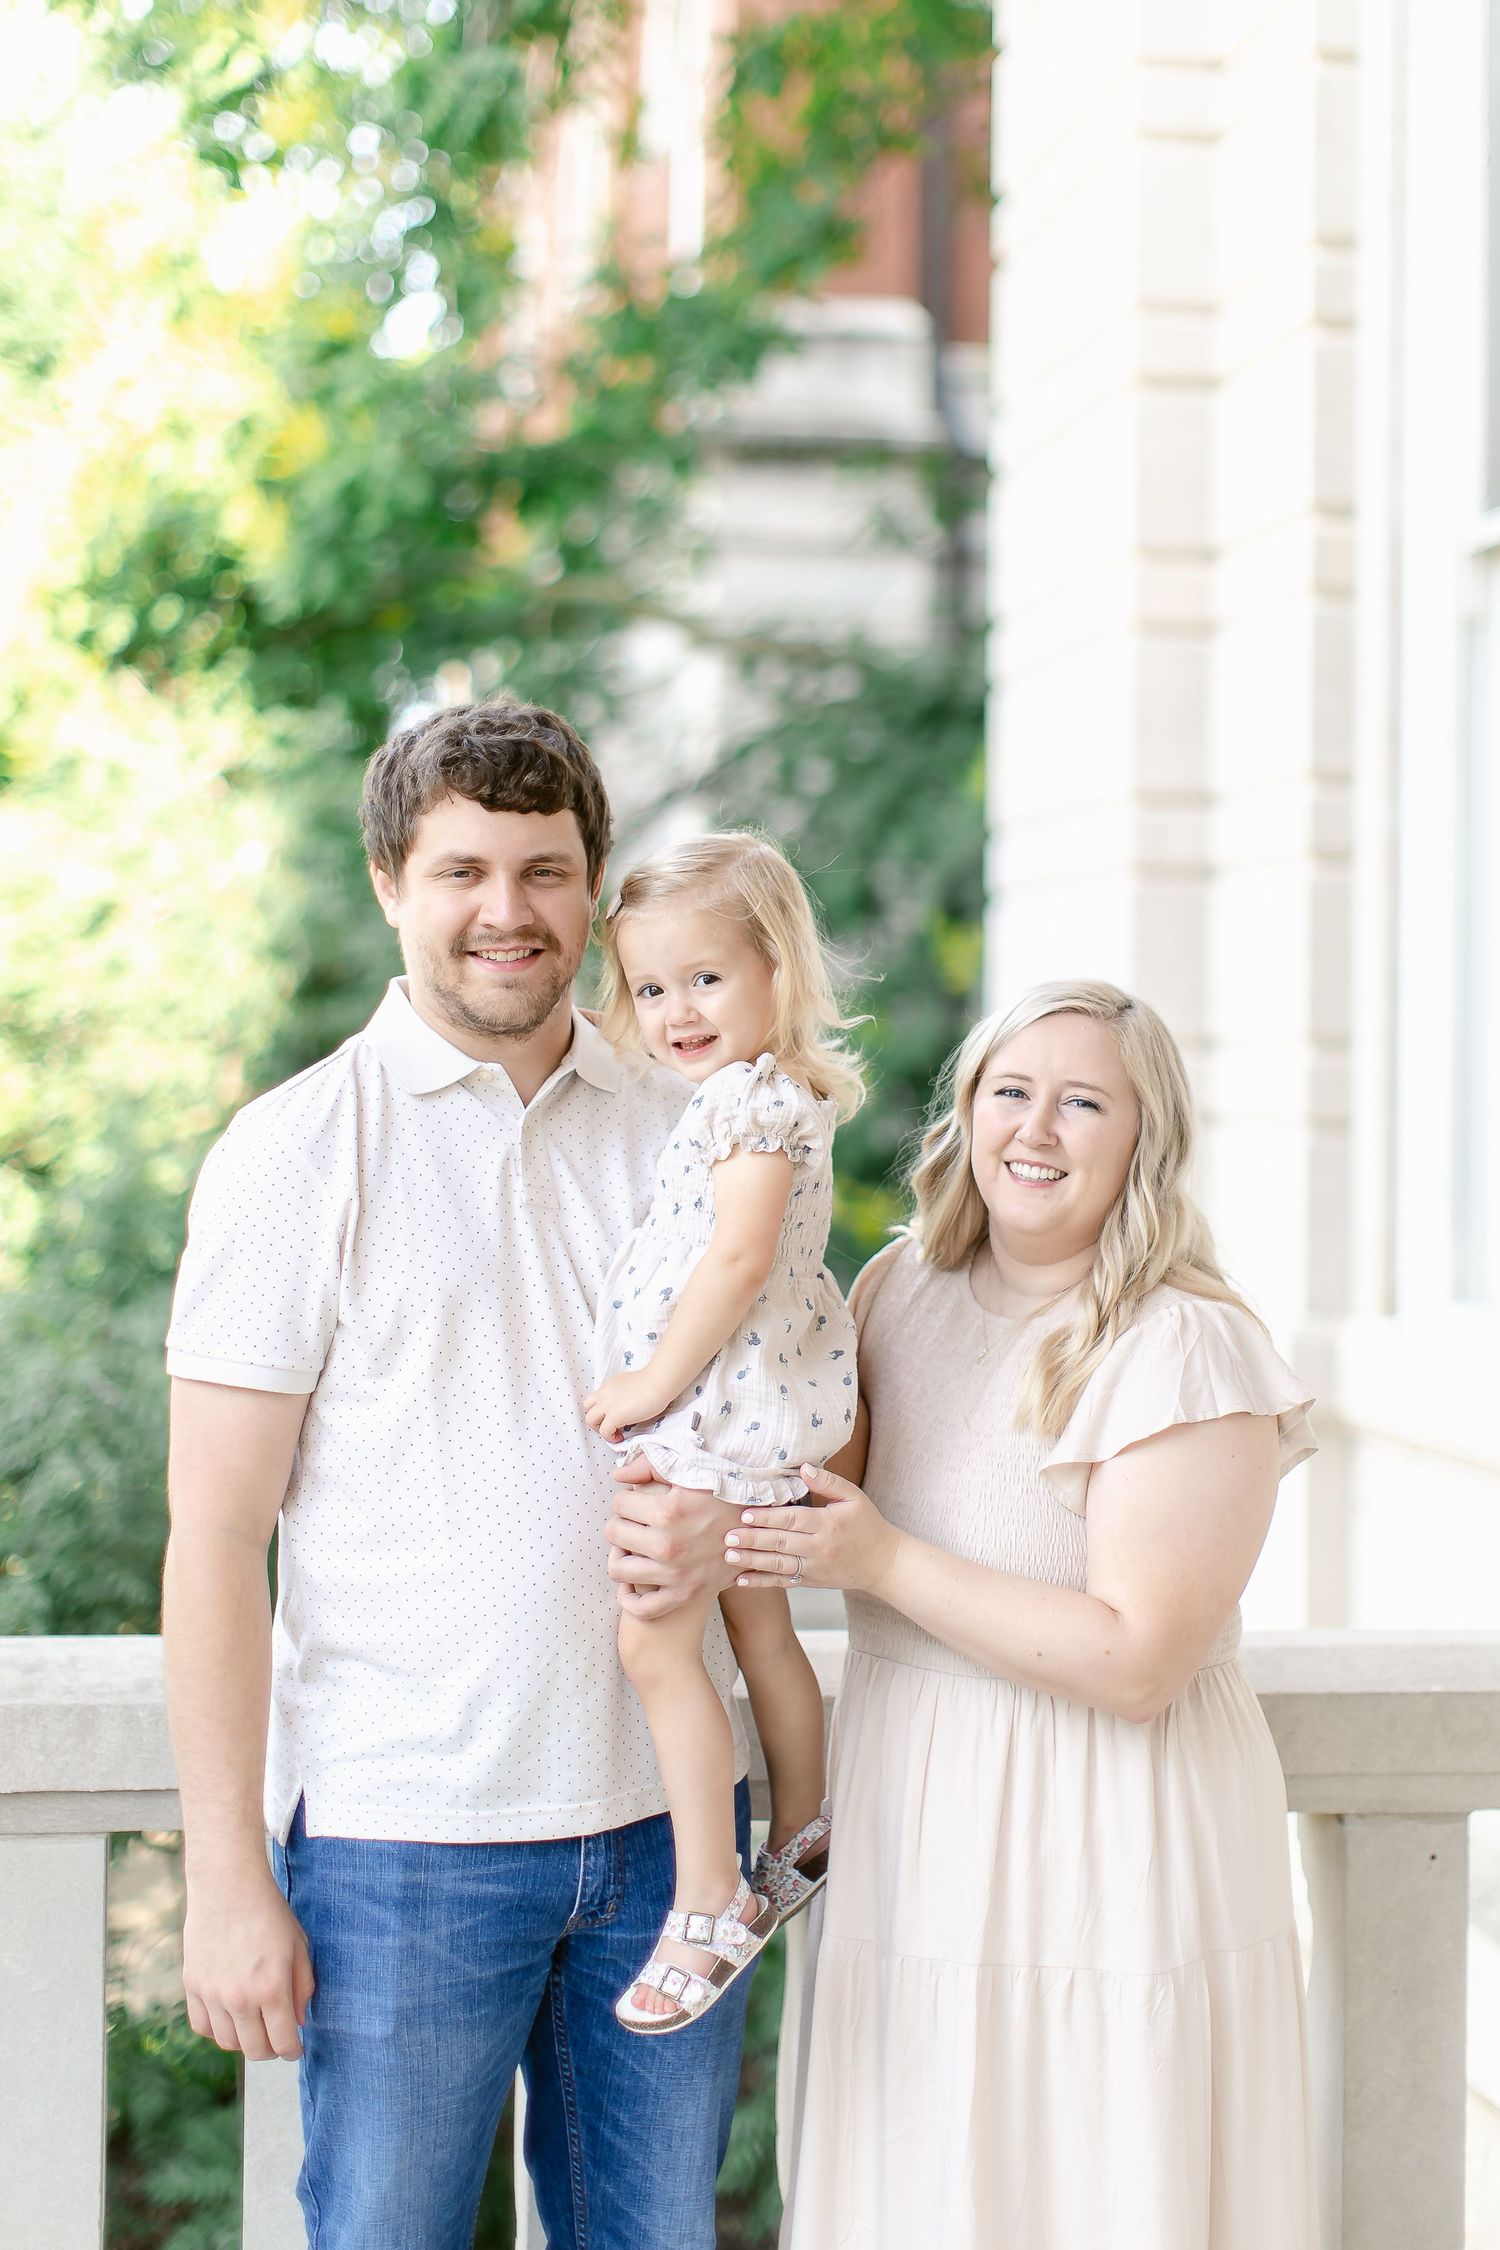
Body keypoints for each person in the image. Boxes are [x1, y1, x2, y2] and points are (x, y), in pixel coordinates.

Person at [161, 697, 761, 2250]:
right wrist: (227, 1872)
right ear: (390, 882)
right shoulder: (297, 1153)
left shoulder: (688, 1131)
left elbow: (772, 1409)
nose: (509, 911)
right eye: (464, 870)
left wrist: (723, 1519)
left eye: (547, 871)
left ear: (595, 883)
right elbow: (215, 1541)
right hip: (398, 1844)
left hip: (662, 1837)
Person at [726, 980, 1321, 2250]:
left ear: (1142, 1140)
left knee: (1094, 2182)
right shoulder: (897, 1292)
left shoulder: (1186, 1348)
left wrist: (881, 1560)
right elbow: (803, 1488)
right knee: (920, 2191)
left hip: (1103, 1838)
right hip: (913, 1827)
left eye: (1083, 1101)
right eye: (1012, 1090)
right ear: (968, 1113)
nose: (1036, 1128)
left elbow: (1140, 1660)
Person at [583, 833, 864, 2031]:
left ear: (777, 973)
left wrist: (649, 1380)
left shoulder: (755, 1101)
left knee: (655, 1646)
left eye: (707, 977)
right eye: (652, 987)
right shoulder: (751, 1096)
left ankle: (712, 1897)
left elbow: (742, 1258)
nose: (677, 1009)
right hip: (752, 1417)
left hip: (718, 1415)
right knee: (758, 1631)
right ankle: (801, 1834)